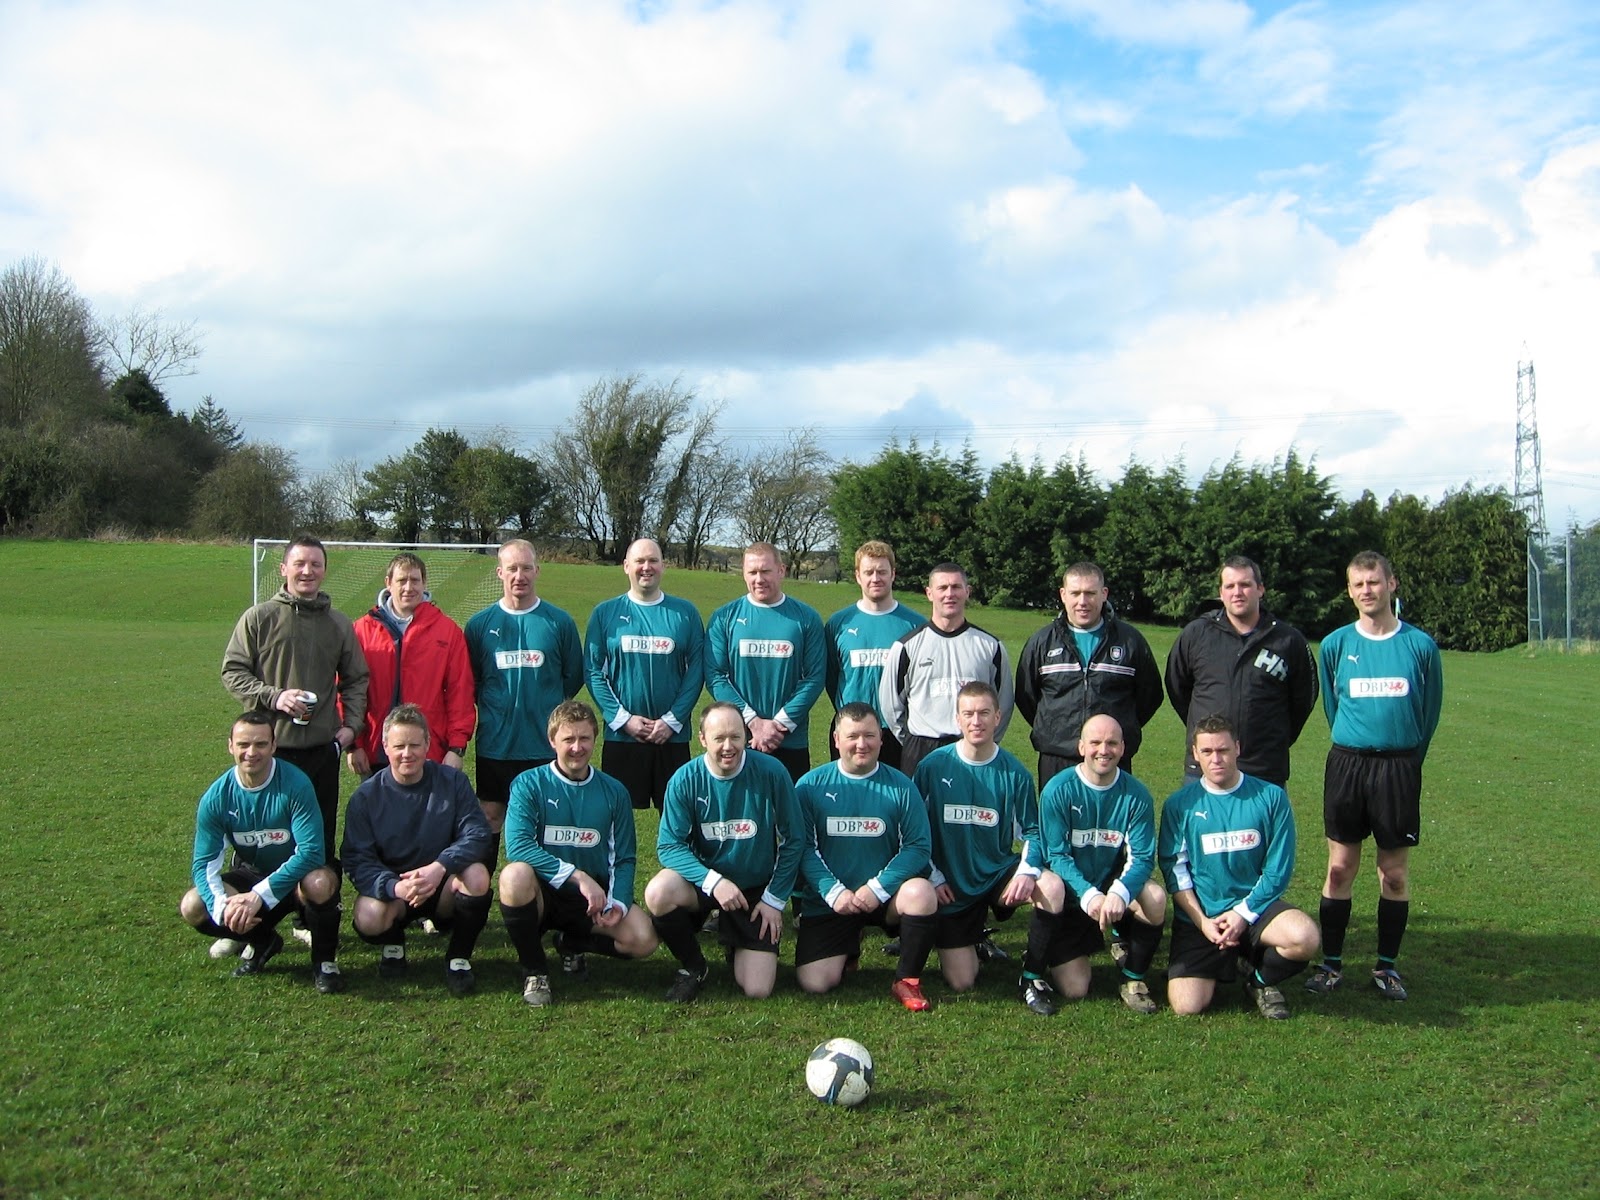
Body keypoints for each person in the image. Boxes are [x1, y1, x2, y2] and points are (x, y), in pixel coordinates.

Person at [1305, 551, 1443, 1002]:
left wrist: (1405, 761)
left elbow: (1429, 712)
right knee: (1340, 867)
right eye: (1358, 584)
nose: (1367, 590)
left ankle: (1387, 968)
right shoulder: (1336, 645)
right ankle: (1331, 964)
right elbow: (1332, 705)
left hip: (1399, 767)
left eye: (1375, 582)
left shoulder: (1420, 647)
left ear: (1392, 584)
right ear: (1349, 591)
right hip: (1348, 764)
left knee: (1394, 875)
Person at [497, 701, 659, 1007]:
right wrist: (576, 875)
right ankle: (535, 970)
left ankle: (569, 942)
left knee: (643, 939)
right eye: (568, 739)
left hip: (590, 899)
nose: (576, 747)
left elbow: (624, 858)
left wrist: (620, 903)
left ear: (595, 739)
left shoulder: (614, 792)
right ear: (552, 741)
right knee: (514, 875)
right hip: (543, 893)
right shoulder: (529, 784)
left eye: (584, 738)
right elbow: (518, 846)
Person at [1158, 715, 1319, 1019]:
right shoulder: (1180, 805)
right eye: (1207, 752)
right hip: (1203, 918)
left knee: (1304, 937)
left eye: (1223, 750)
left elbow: (1278, 870)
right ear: (1195, 754)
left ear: (1238, 749)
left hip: (1255, 911)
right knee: (1186, 1006)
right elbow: (1174, 872)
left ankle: (1258, 981)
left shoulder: (1270, 797)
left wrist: (1242, 914)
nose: (1216, 759)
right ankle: (1229, 958)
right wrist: (1203, 921)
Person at [907, 682, 1057, 1011]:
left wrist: (1028, 873)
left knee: (1051, 884)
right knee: (962, 981)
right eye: (969, 714)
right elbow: (913, 831)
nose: (977, 721)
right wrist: (933, 876)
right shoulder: (933, 767)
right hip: (950, 886)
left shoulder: (1015, 773)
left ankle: (1032, 974)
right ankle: (972, 942)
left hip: (996, 878)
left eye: (984, 713)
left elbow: (1033, 831)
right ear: (958, 719)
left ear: (998, 717)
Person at [222, 534, 370, 862]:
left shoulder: (339, 624)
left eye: (315, 564)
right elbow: (232, 672)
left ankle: (318, 908)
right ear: (283, 568)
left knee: (318, 838)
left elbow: (357, 679)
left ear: (324, 571)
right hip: (269, 750)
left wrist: (352, 727)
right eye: (299, 563)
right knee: (270, 838)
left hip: (321, 751)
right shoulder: (258, 618)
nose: (307, 571)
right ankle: (259, 899)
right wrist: (274, 697)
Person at [643, 702, 803, 1002]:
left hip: (754, 892)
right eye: (719, 739)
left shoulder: (771, 772)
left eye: (736, 737)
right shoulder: (684, 779)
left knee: (757, 989)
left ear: (746, 736)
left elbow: (794, 839)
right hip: (705, 885)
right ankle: (694, 966)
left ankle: (735, 940)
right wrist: (713, 882)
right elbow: (669, 846)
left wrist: (774, 899)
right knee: (659, 892)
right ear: (703, 739)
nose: (728, 746)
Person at [178, 711, 345, 993]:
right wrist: (223, 907)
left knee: (319, 881)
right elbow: (204, 864)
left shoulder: (296, 784)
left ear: (274, 746)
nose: (251, 753)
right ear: (230, 746)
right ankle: (263, 941)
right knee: (193, 905)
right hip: (252, 874)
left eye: (260, 744)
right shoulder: (217, 797)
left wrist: (259, 895)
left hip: (297, 880)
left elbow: (311, 853)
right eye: (243, 745)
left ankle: (324, 962)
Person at [792, 703, 938, 1011]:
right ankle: (848, 946)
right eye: (853, 736)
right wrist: (834, 892)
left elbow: (917, 847)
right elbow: (802, 848)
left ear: (881, 739)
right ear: (836, 739)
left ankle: (907, 980)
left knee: (922, 893)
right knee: (814, 983)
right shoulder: (808, 787)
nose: (862, 744)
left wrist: (877, 888)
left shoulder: (902, 786)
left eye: (870, 735)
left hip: (883, 898)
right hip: (833, 900)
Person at [341, 705, 494, 995]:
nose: (407, 754)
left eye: (414, 745)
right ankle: (393, 944)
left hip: (441, 886)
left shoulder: (453, 782)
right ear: (385, 747)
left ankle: (458, 958)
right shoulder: (365, 797)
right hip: (395, 892)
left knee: (477, 875)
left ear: (427, 745)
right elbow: (356, 859)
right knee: (368, 916)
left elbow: (477, 834)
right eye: (399, 746)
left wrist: (439, 868)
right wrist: (393, 887)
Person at [1032, 714, 1167, 1015]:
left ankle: (1134, 978)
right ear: (1081, 747)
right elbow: (1056, 855)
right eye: (1095, 742)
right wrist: (1089, 895)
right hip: (1072, 894)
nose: (1103, 750)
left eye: (1111, 743)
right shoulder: (1058, 789)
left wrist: (1119, 892)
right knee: (1075, 989)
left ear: (1123, 748)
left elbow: (1143, 857)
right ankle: (1058, 947)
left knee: (1155, 897)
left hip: (1112, 886)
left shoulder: (1136, 794)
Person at [464, 539, 583, 863]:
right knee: (489, 815)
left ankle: (545, 901)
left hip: (544, 744)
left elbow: (572, 677)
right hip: (496, 744)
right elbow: (471, 680)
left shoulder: (558, 622)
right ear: (500, 572)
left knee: (546, 822)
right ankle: (477, 898)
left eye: (526, 568)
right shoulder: (479, 625)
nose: (520, 575)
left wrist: (544, 706)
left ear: (537, 571)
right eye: (513, 568)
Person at [1164, 555, 1318, 786]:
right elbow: (1178, 688)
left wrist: (1273, 738)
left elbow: (1302, 701)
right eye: (1230, 586)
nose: (1237, 592)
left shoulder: (1288, 640)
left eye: (1245, 585)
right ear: (1221, 592)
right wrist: (1203, 728)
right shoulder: (1196, 634)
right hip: (1205, 768)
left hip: (1264, 770)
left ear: (1260, 589)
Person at [583, 538, 707, 810]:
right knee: (615, 819)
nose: (646, 567)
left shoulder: (685, 614)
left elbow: (696, 672)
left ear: (663, 566)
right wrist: (623, 720)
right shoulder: (605, 613)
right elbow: (593, 671)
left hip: (672, 737)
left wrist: (672, 721)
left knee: (679, 819)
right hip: (622, 738)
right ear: (626, 566)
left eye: (653, 560)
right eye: (639, 561)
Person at [1015, 561, 1162, 785]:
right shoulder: (1041, 642)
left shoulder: (1130, 641)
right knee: (1058, 820)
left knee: (1110, 821)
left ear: (1104, 594)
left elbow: (1149, 696)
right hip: (1058, 756)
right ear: (1063, 595)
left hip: (1111, 756)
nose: (1082, 602)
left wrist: (1118, 728)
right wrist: (1056, 728)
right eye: (1075, 593)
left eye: (1090, 593)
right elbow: (1027, 697)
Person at [706, 542, 826, 782]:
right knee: (741, 816)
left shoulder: (807, 618)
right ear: (743, 573)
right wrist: (751, 721)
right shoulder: (724, 617)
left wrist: (779, 724)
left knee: (789, 815)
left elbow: (814, 677)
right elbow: (716, 675)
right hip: (740, 738)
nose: (758, 579)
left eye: (765, 571)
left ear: (781, 570)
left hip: (789, 739)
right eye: (752, 572)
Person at [879, 562, 1013, 778]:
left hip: (972, 747)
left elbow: (1003, 703)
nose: (949, 594)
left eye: (956, 587)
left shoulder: (990, 646)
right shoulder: (907, 647)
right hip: (921, 749)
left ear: (967, 592)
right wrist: (913, 740)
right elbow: (891, 705)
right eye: (942, 588)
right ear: (929, 593)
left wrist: (984, 741)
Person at [350, 551, 475, 775]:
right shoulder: (361, 630)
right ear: (388, 583)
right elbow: (348, 689)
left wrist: (456, 747)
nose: (409, 587)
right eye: (402, 580)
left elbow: (460, 691)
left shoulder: (447, 632)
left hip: (430, 751)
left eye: (415, 580)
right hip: (377, 750)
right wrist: (354, 744)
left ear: (424, 583)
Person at [823, 541, 926, 771]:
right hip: (851, 730)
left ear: (893, 574)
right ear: (858, 576)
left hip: (899, 732)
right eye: (869, 572)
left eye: (882, 571)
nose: (875, 578)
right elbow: (831, 676)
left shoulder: (915, 624)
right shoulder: (839, 624)